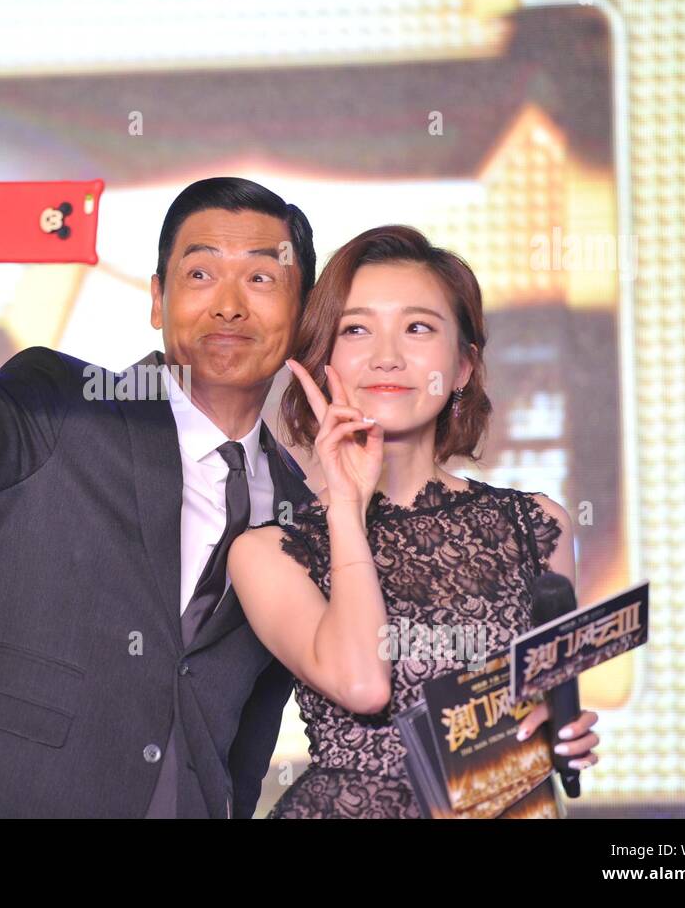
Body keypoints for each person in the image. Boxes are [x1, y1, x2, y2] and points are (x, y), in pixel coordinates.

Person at [0, 169, 317, 817]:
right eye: (200, 275)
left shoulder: (306, 515)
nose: (229, 304)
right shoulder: (64, 406)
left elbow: (247, 737)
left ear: (303, 313)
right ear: (156, 300)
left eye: (261, 278)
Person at [226, 225, 601, 818]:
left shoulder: (538, 526)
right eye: (356, 329)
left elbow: (549, 711)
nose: (387, 356)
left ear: (463, 367)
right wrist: (345, 507)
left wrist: (558, 728)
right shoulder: (269, 551)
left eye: (418, 327)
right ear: (322, 360)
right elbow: (362, 684)